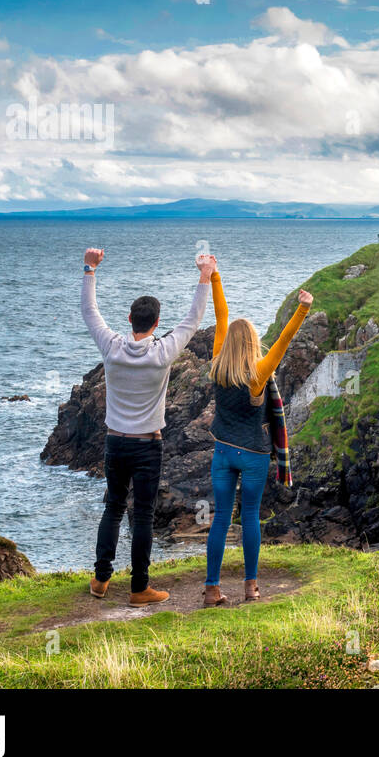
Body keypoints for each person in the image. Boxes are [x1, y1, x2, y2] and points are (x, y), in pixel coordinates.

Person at [81, 247, 214, 606]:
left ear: (129, 318)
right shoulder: (163, 352)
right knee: (143, 514)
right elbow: (193, 319)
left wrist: (90, 269)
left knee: (113, 507)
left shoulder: (111, 347)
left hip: (114, 442)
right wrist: (204, 275)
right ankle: (139, 588)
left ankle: (100, 579)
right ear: (156, 323)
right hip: (147, 444)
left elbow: (90, 312)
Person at [203, 266, 312, 605]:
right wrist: (303, 308)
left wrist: (214, 277)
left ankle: (212, 589)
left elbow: (222, 317)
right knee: (249, 516)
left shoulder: (217, 365)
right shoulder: (258, 374)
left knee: (220, 518)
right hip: (253, 455)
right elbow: (283, 341)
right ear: (252, 343)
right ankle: (250, 588)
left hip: (223, 453)